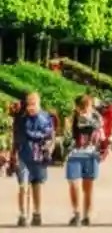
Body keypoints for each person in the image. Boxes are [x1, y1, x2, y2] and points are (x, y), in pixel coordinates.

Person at [11, 91, 55, 227]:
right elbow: (16, 136)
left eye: (33, 104)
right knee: (23, 186)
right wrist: (14, 153)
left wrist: (48, 151)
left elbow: (50, 137)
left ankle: (37, 213)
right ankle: (23, 214)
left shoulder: (45, 117)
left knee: (37, 185)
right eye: (29, 104)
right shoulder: (21, 118)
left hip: (38, 157)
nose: (31, 107)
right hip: (23, 155)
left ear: (39, 104)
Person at [66, 94, 105, 225]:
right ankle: (76, 212)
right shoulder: (74, 117)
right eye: (81, 107)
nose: (84, 109)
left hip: (91, 154)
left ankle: (87, 214)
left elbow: (99, 131)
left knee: (88, 187)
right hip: (75, 154)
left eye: (86, 106)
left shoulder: (96, 117)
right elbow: (70, 134)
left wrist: (104, 150)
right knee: (73, 183)